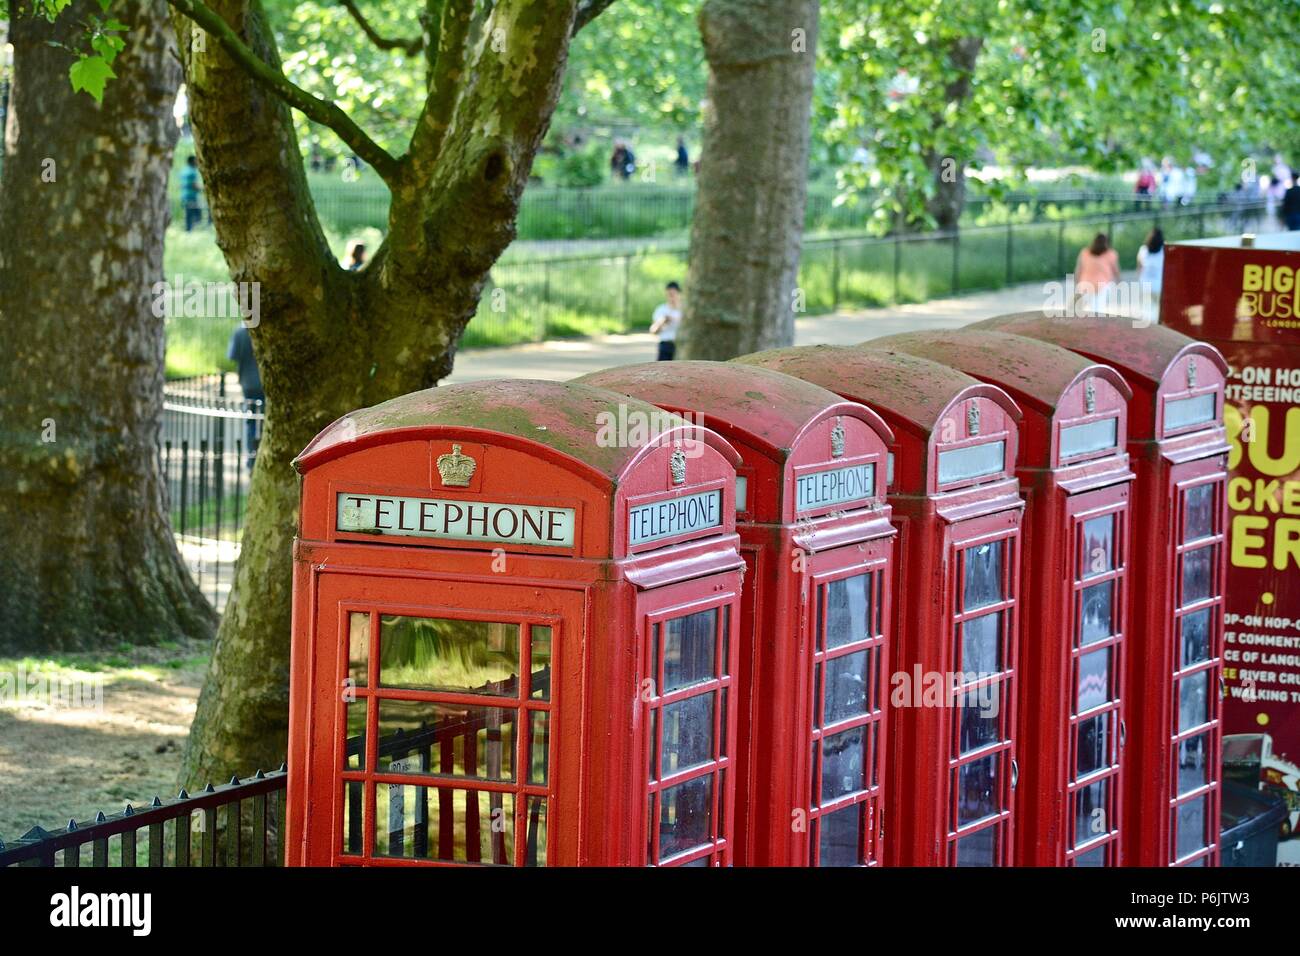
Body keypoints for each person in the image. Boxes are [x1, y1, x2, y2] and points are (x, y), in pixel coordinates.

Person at [227, 324, 264, 471]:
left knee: (250, 422)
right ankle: (260, 456)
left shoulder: (240, 333)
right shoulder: (265, 332)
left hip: (247, 384)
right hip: (263, 385)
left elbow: (232, 355)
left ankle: (251, 459)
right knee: (264, 420)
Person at [1074, 232, 1120, 314]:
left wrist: (1077, 284)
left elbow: (1078, 270)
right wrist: (1119, 282)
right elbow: (1116, 271)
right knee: (1098, 310)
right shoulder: (1111, 254)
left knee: (1081, 310)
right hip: (1102, 286)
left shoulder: (1084, 252)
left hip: (1085, 285)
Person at [649, 281, 683, 361]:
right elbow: (653, 331)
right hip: (665, 345)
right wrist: (663, 321)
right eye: (669, 295)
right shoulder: (661, 310)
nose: (671, 297)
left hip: (681, 345)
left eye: (673, 294)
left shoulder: (686, 310)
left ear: (679, 294)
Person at [1137, 227, 1165, 323]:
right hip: (1159, 284)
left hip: (1145, 283)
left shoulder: (1143, 250)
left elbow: (1139, 267)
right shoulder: (1164, 251)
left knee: (1146, 309)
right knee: (1158, 309)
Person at [180, 156, 203, 231]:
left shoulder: (183, 171)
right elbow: (194, 185)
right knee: (196, 215)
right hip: (191, 196)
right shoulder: (192, 172)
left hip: (184, 196)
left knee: (188, 215)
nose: (197, 163)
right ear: (192, 161)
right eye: (196, 161)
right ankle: (191, 231)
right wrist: (204, 189)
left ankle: (188, 231)